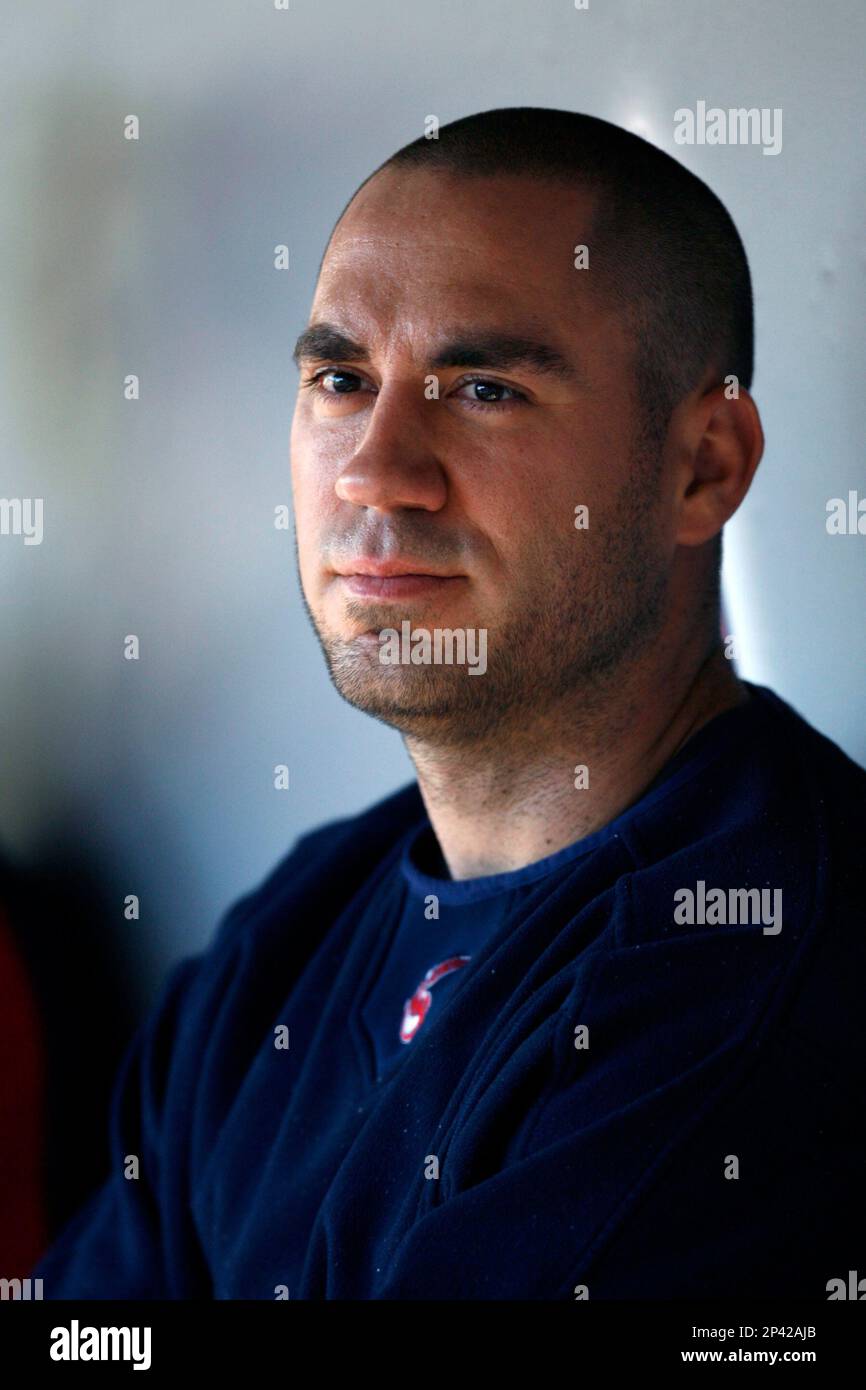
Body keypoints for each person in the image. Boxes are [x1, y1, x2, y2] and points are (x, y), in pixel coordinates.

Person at [32, 108, 866, 1300]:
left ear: (703, 467)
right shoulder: (287, 937)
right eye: (338, 379)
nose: (373, 468)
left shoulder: (762, 977)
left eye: (480, 388)